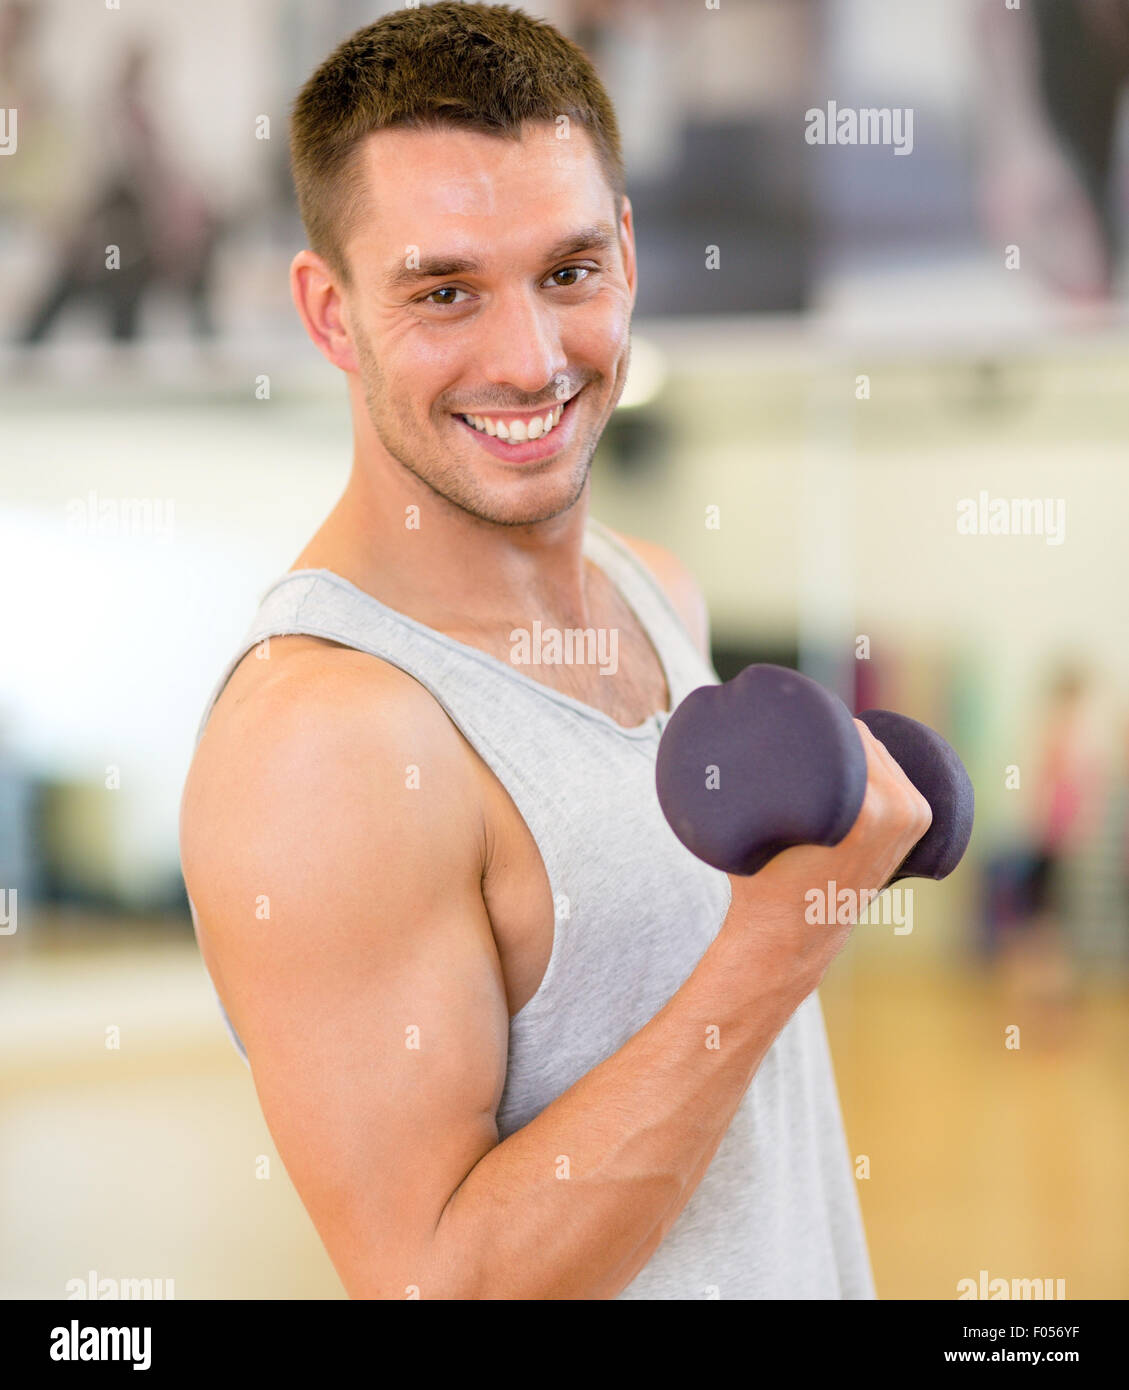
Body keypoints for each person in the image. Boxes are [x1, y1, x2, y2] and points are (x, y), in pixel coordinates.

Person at [178, 2, 929, 1300]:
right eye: (444, 290)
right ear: (328, 311)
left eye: (567, 271)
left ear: (627, 256)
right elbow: (439, 1281)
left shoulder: (656, 594)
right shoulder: (326, 739)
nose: (529, 359)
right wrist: (782, 937)